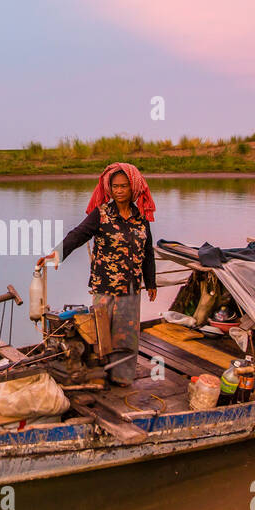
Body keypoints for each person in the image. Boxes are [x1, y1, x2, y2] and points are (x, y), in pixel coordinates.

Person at [38, 163, 156, 386]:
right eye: (115, 187)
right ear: (109, 189)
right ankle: (98, 376)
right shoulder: (101, 214)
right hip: (105, 287)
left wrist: (151, 282)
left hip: (131, 288)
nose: (119, 191)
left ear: (133, 188)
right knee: (101, 334)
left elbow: (147, 250)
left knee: (127, 336)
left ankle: (122, 378)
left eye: (124, 186)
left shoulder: (141, 218)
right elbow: (79, 234)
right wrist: (57, 254)